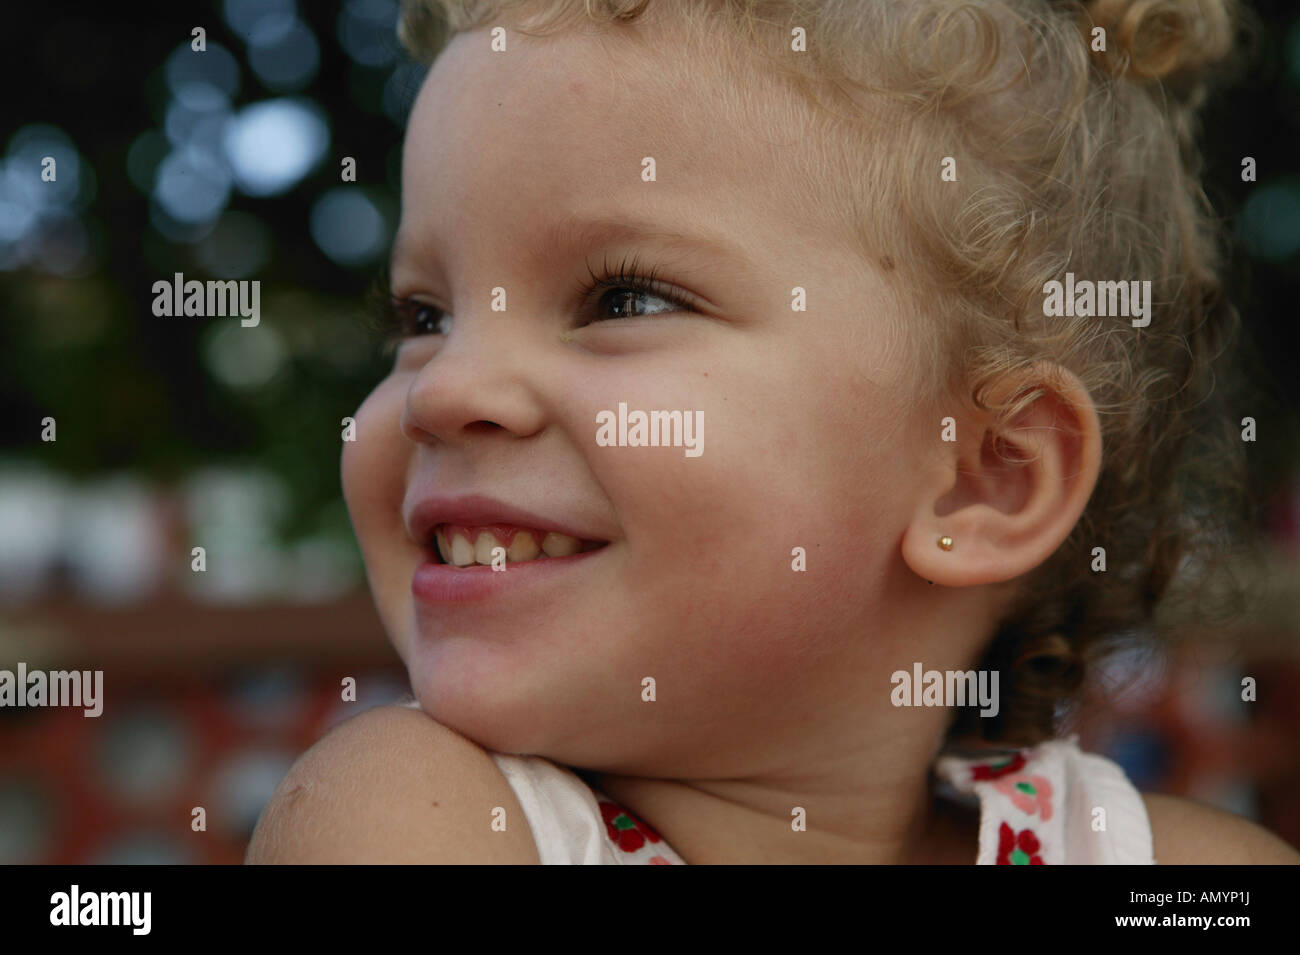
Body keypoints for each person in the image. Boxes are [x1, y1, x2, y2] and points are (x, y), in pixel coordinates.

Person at [246, 0, 1300, 864]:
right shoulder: (414, 818)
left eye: (624, 300)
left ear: (986, 478)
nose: (443, 390)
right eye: (425, 317)